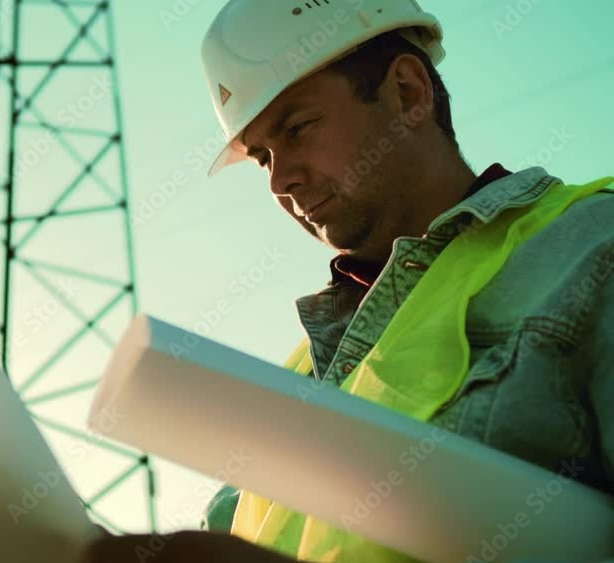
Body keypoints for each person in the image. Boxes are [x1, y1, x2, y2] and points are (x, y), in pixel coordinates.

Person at [77, 0, 613, 561]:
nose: (280, 180)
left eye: (298, 128)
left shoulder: (592, 248)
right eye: (262, 157)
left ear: (407, 92)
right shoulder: (295, 379)